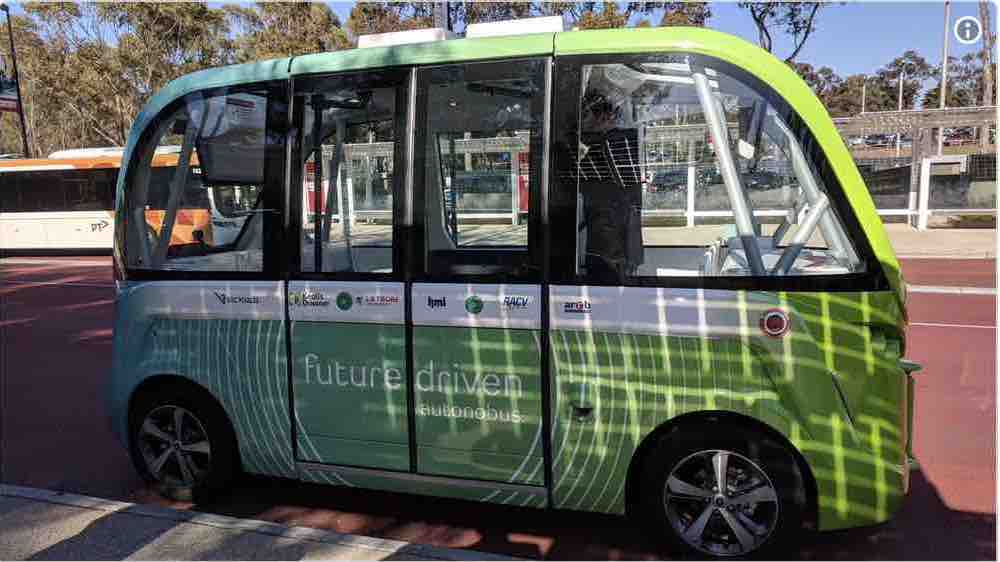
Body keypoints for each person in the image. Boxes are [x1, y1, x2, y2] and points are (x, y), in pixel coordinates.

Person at [576, 91, 644, 283]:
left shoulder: (614, 143)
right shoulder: (620, 143)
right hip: (614, 248)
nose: (585, 125)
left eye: (587, 117)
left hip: (610, 250)